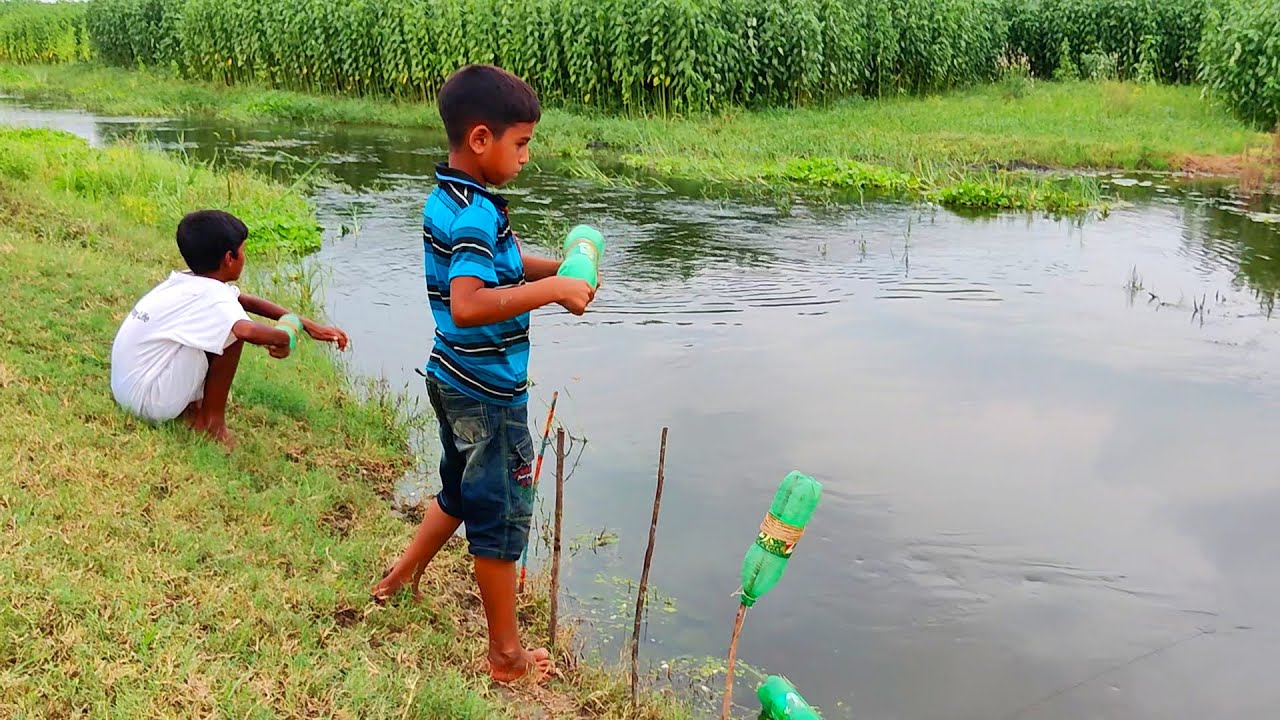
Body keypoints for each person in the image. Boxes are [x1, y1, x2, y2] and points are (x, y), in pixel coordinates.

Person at [370, 64, 596, 684]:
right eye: (520, 144)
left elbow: (504, 262)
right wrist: (552, 290)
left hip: (450, 377)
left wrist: (563, 266)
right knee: (497, 519)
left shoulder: (454, 199)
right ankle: (505, 657)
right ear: (480, 139)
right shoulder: (475, 214)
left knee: (461, 491)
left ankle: (399, 577)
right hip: (488, 393)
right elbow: (469, 303)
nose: (526, 158)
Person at [109, 209, 349, 449]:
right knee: (230, 333)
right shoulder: (213, 295)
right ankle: (212, 423)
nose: (245, 258)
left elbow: (242, 300)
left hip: (127, 390)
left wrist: (307, 325)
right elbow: (246, 331)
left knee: (221, 326)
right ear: (229, 258)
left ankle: (193, 407)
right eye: (243, 251)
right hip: (147, 400)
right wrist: (286, 336)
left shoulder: (189, 281)